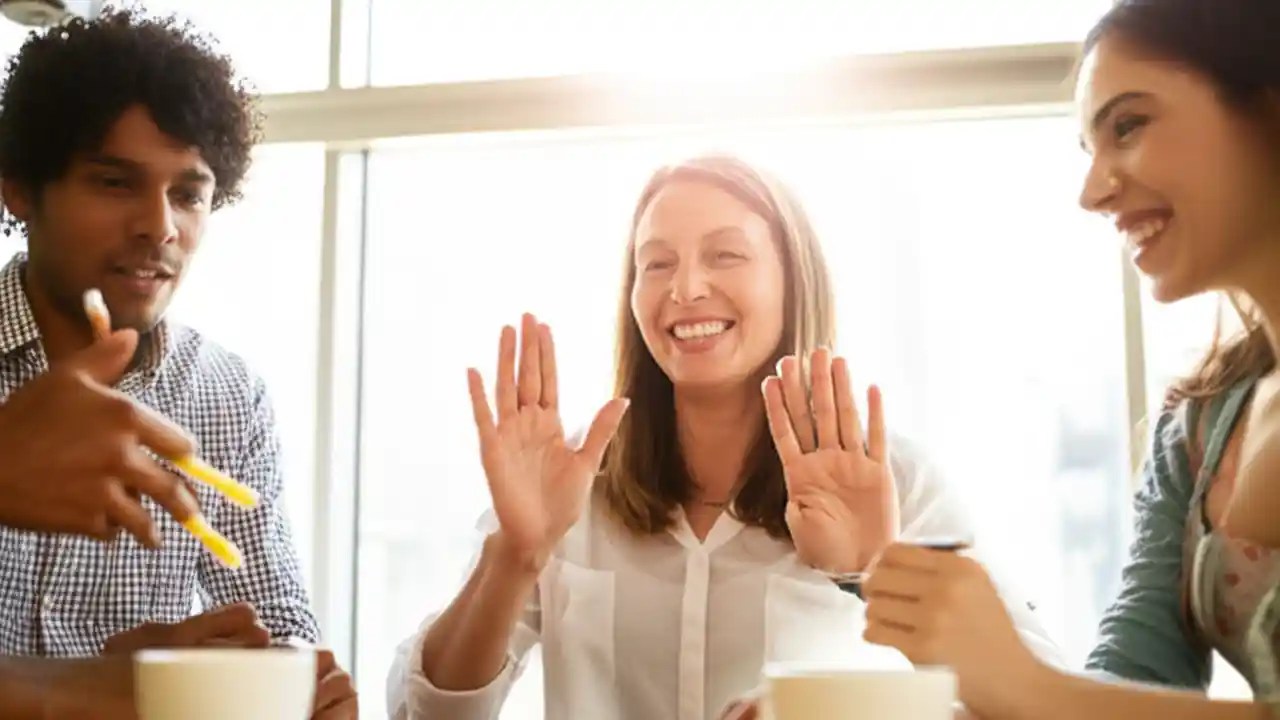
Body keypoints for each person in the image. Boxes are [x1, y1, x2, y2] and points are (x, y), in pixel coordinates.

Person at [386, 154, 1059, 719]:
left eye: (725, 255)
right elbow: (423, 712)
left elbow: (1039, 701)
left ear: (794, 280)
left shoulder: (890, 479)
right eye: (655, 264)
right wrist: (514, 558)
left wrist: (873, 572)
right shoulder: (570, 478)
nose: (686, 288)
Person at [861, 0, 1280, 717]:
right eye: (1091, 151)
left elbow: (1059, 702)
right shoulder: (1198, 433)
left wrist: (1026, 685)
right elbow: (1129, 682)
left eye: (1128, 126)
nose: (1093, 192)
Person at [0, 8, 355, 718]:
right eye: (114, 182)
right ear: (18, 188)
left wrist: (296, 681)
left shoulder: (226, 395)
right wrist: (95, 686)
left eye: (188, 194)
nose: (159, 226)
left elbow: (279, 622)